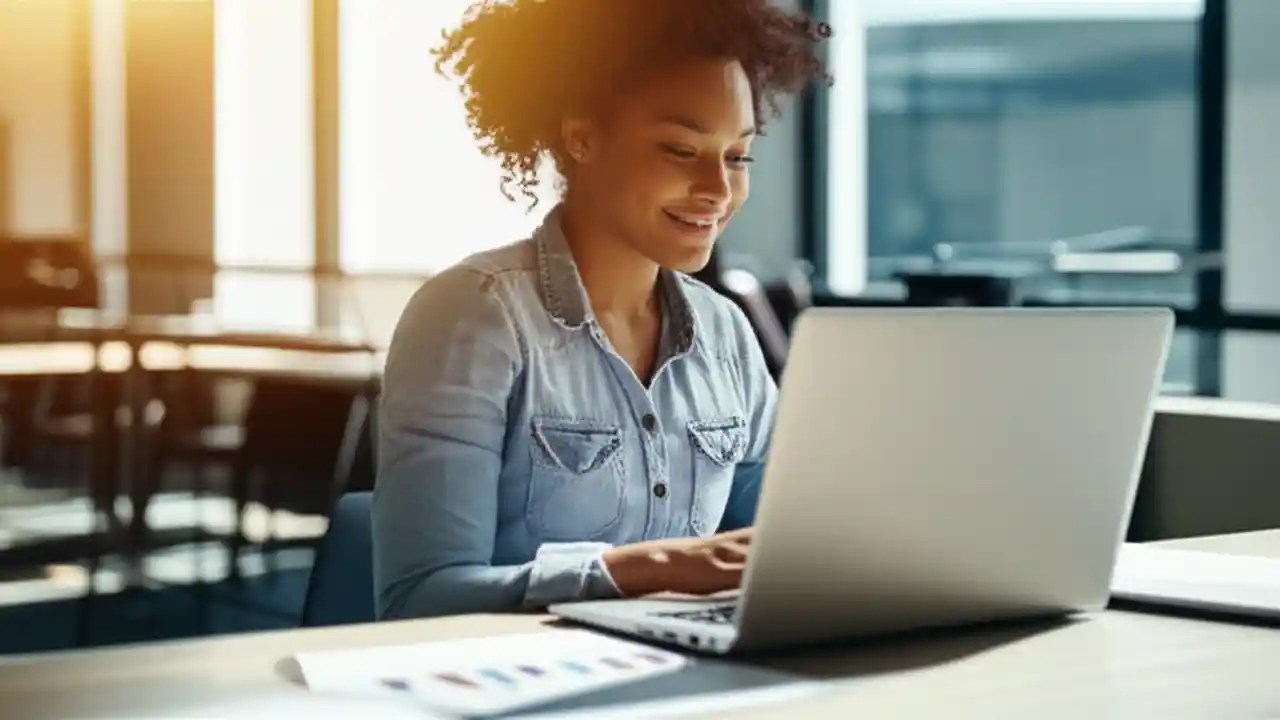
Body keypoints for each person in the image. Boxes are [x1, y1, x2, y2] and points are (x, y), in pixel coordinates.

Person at [374, 0, 829, 619]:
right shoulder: (476, 316)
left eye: (737, 156)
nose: (719, 191)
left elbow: (779, 550)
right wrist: (636, 571)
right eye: (679, 149)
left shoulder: (725, 335)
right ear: (581, 135)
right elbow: (419, 599)